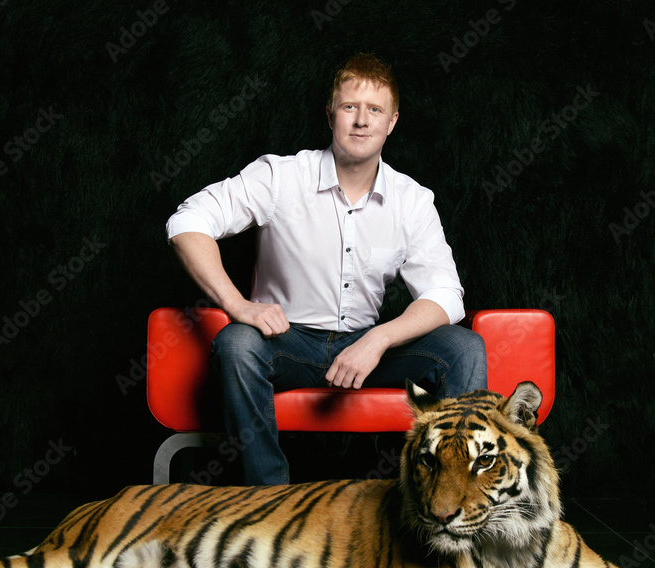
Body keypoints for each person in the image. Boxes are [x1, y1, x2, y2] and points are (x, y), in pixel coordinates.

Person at [166, 53, 487, 485]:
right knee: (237, 343)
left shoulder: (412, 200)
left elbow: (446, 295)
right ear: (331, 114)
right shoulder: (280, 176)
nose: (362, 120)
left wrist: (378, 339)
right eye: (350, 106)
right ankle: (268, 500)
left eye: (375, 110)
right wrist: (237, 304)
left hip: (366, 346)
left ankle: (454, 493)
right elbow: (187, 221)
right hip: (286, 341)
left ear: (392, 122)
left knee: (464, 348)